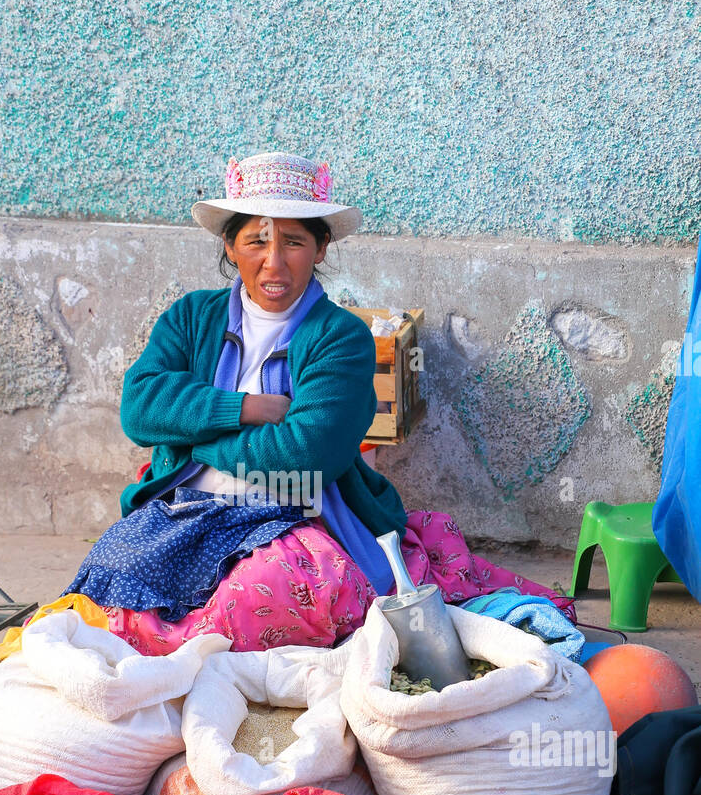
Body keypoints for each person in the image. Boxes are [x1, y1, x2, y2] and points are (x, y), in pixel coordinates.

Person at [62, 149, 574, 654]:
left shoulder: (340, 337)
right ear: (230, 245)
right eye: (256, 241)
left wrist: (194, 437)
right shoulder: (190, 317)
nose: (274, 262)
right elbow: (140, 408)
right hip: (187, 509)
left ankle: (187, 652)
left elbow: (307, 456)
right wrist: (246, 409)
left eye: (294, 242)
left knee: (262, 596)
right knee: (108, 578)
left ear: (321, 248)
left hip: (292, 516)